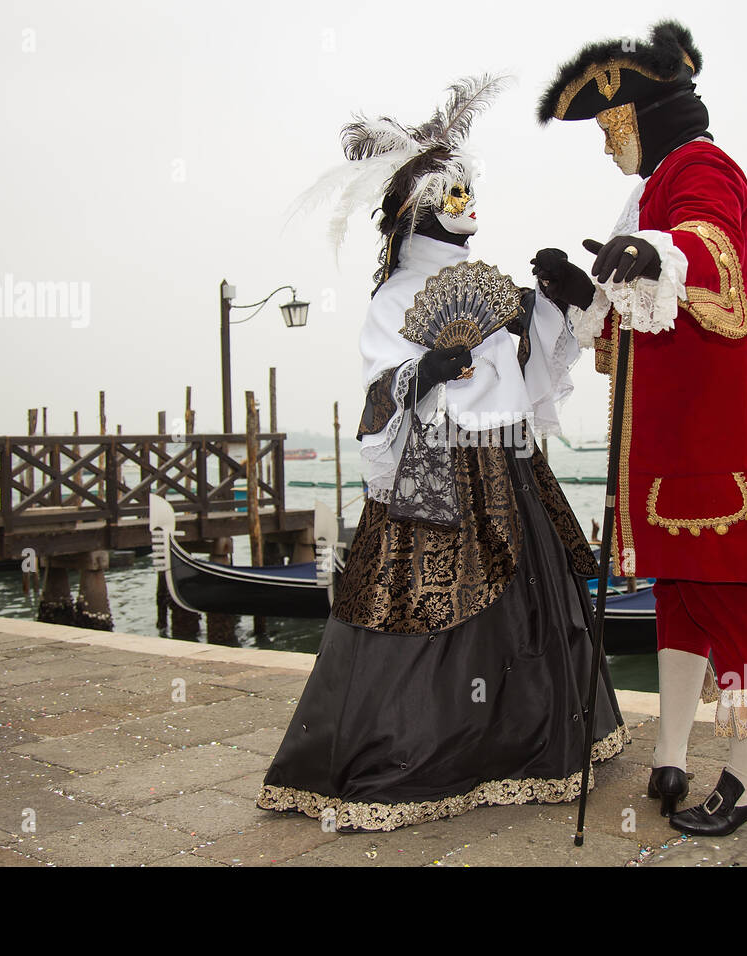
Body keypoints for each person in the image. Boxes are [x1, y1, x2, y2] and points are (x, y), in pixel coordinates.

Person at [256, 74, 630, 832]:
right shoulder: (393, 301)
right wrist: (417, 373)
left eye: (468, 193)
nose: (467, 208)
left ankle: (527, 746)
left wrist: (561, 304)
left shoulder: (487, 290)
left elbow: (524, 384)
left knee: (530, 607)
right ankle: (433, 755)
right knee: (427, 612)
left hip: (510, 464)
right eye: (452, 197)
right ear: (421, 208)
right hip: (436, 478)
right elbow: (378, 395)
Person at [536, 21, 747, 836]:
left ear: (639, 113)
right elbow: (641, 319)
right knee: (679, 587)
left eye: (606, 127)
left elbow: (708, 249)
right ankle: (672, 750)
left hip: (713, 429)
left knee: (727, 590)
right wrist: (580, 293)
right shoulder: (654, 185)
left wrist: (654, 254)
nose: (604, 145)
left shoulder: (701, 170)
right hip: (673, 433)